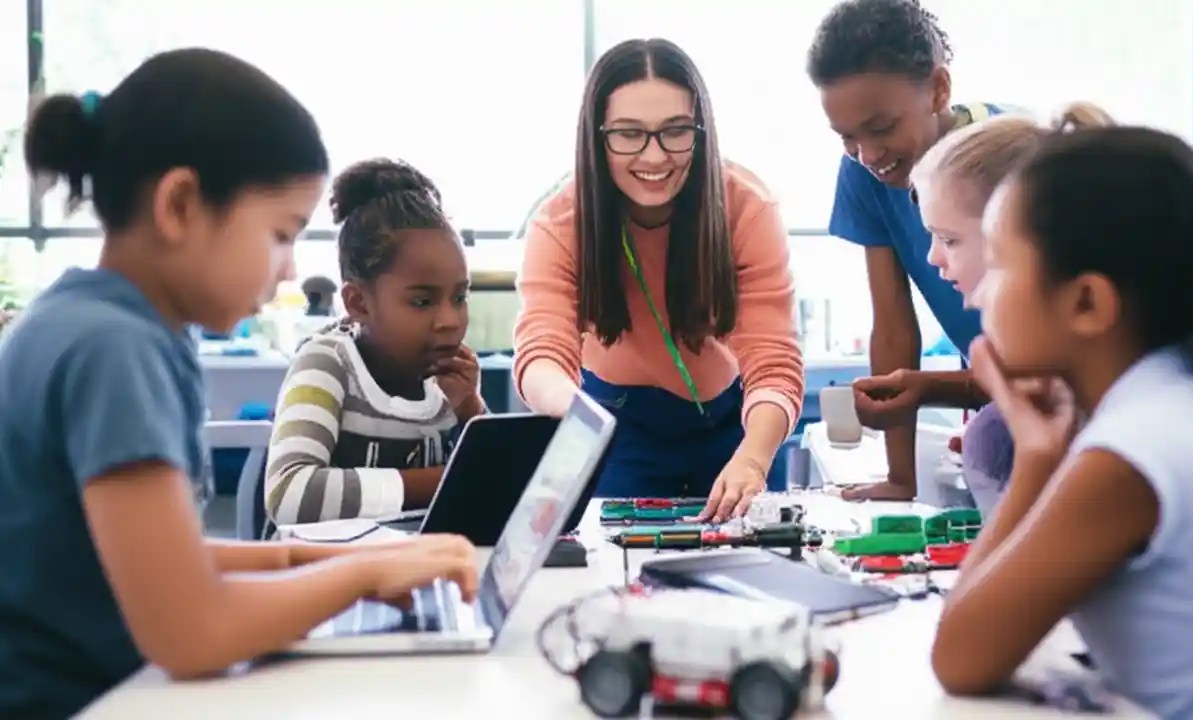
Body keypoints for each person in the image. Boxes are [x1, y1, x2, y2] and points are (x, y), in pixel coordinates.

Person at [0, 50, 477, 720]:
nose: (286, 273)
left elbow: (156, 559)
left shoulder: (77, 319)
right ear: (181, 205)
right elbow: (192, 631)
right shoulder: (117, 349)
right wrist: (363, 574)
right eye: (280, 235)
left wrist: (316, 560)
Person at [931, 126, 1193, 719]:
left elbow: (961, 655)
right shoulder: (1183, 395)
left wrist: (1037, 456)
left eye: (1001, 264)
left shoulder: (1133, 451)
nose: (975, 297)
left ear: (1088, 303)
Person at [514, 38, 803, 521]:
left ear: (701, 132)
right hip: (614, 421)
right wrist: (577, 418)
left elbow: (773, 361)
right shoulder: (560, 221)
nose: (654, 157)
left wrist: (753, 459)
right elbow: (542, 351)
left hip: (737, 420)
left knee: (749, 561)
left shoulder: (748, 207)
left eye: (675, 131)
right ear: (596, 134)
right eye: (628, 134)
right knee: (616, 567)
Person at [806, 0, 1009, 501]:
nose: (868, 154)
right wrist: (900, 480)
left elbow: (1051, 361)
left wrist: (939, 389)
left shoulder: (1006, 160)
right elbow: (894, 327)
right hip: (995, 395)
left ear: (939, 89)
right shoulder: (863, 173)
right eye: (847, 136)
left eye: (881, 128)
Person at [872, 103, 1114, 515]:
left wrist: (1029, 457)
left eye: (949, 240)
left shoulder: (1116, 441)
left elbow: (1012, 580)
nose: (931, 258)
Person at [266, 158, 485, 526]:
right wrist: (441, 483)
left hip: (414, 572)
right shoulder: (327, 364)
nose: (449, 321)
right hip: (327, 576)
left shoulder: (448, 381)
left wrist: (471, 412)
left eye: (460, 297)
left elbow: (497, 485)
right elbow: (288, 494)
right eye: (422, 301)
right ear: (358, 303)